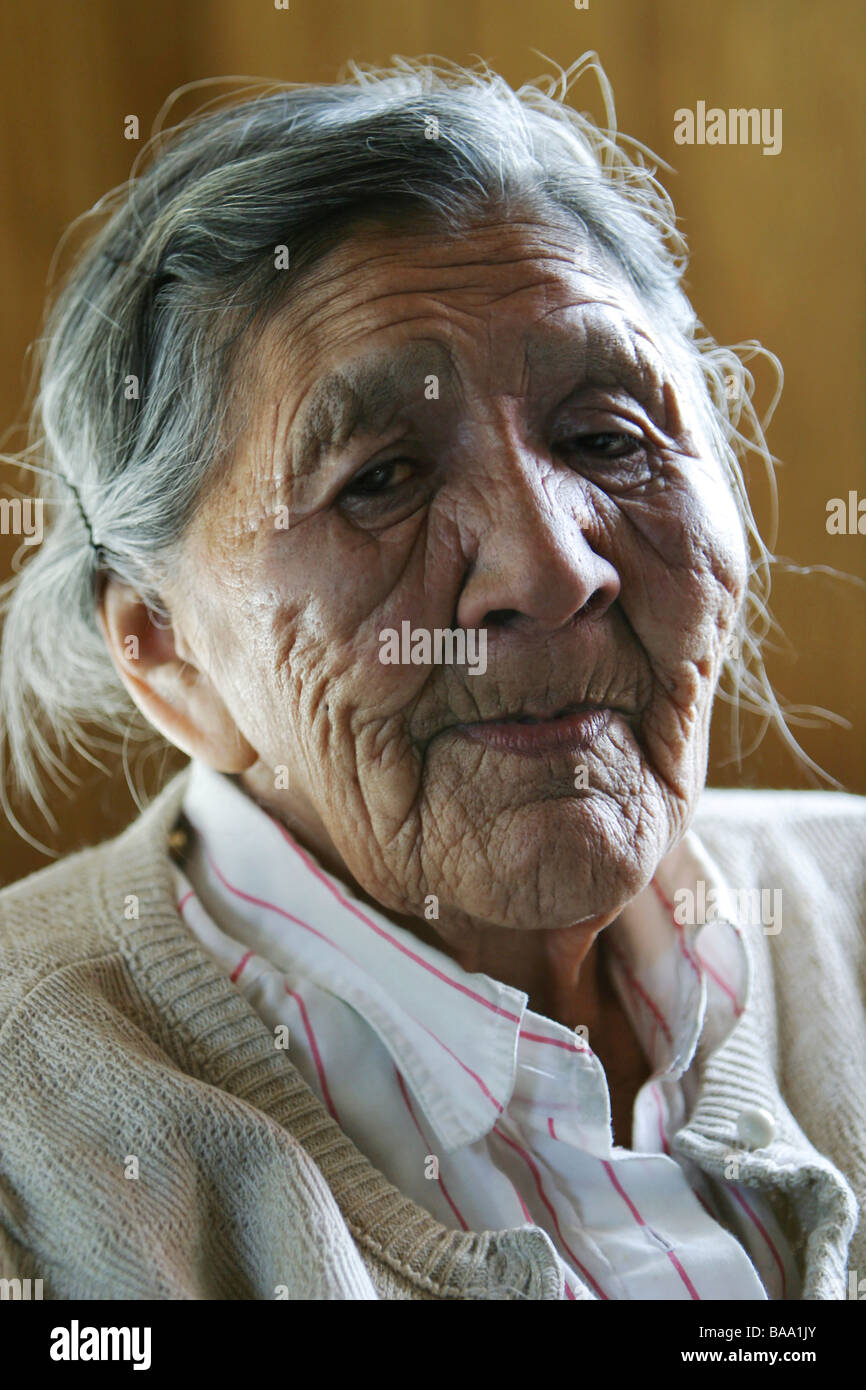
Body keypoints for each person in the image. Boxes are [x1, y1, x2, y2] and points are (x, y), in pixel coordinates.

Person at [0, 54, 863, 1301]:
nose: (550, 569)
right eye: (382, 479)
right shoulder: (41, 1160)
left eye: (607, 437)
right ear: (169, 657)